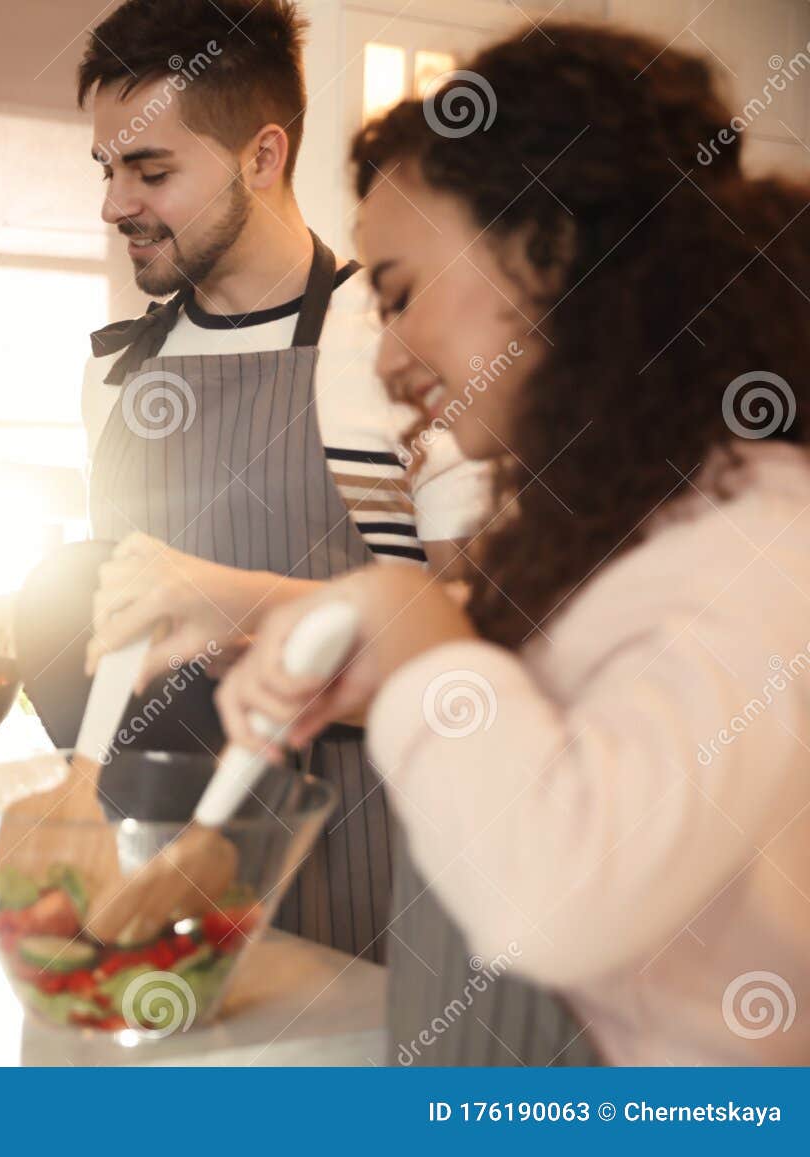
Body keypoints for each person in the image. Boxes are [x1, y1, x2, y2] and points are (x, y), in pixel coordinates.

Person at [217, 24, 810, 1065]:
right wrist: (390, 670)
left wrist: (407, 620)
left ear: (549, 242)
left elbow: (563, 893)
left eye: (400, 294)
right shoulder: (618, 510)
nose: (390, 356)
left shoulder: (763, 532)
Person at [0, 0, 489, 966]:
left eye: (151, 170)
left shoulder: (394, 349)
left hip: (376, 885)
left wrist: (241, 608)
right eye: (107, 169)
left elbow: (498, 646)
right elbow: (137, 629)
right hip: (160, 877)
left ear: (262, 157)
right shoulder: (119, 373)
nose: (114, 204)